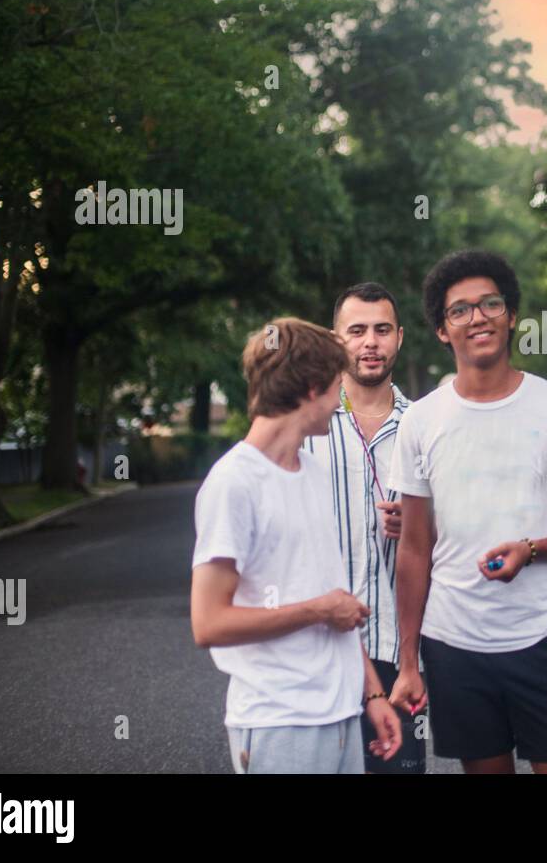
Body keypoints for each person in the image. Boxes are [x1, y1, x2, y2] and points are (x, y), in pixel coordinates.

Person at [388, 250, 547, 774]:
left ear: (511, 315)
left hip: (543, 634)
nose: (478, 318)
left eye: (490, 304)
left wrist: (533, 549)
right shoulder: (420, 421)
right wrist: (407, 664)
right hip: (454, 644)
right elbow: (414, 547)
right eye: (460, 311)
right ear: (443, 331)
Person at [190, 318, 402, 773]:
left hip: (342, 711)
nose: (339, 402)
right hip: (279, 722)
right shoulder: (234, 483)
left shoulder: (313, 471)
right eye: (334, 389)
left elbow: (335, 599)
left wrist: (372, 694)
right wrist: (319, 611)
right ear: (311, 389)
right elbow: (208, 623)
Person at [304, 282, 426, 774]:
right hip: (318, 645)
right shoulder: (306, 428)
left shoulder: (426, 425)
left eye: (381, 330)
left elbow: (461, 538)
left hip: (401, 650)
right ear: (336, 342)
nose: (370, 342)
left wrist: (424, 527)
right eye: (356, 331)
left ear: (400, 337)